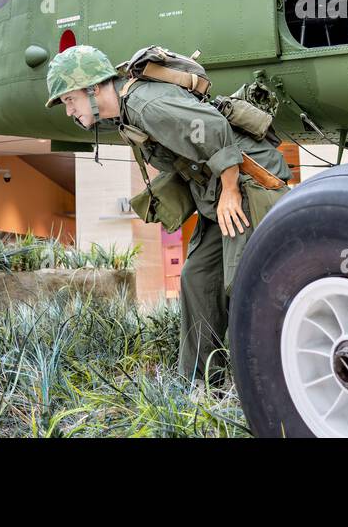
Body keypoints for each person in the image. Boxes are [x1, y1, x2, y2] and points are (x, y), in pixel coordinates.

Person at [44, 45, 291, 384]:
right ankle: (203, 384)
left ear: (93, 88)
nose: (69, 110)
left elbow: (213, 128)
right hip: (217, 192)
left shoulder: (146, 105)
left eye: (70, 100)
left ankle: (274, 381)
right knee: (198, 279)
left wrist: (231, 191)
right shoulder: (128, 112)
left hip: (245, 183)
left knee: (243, 283)